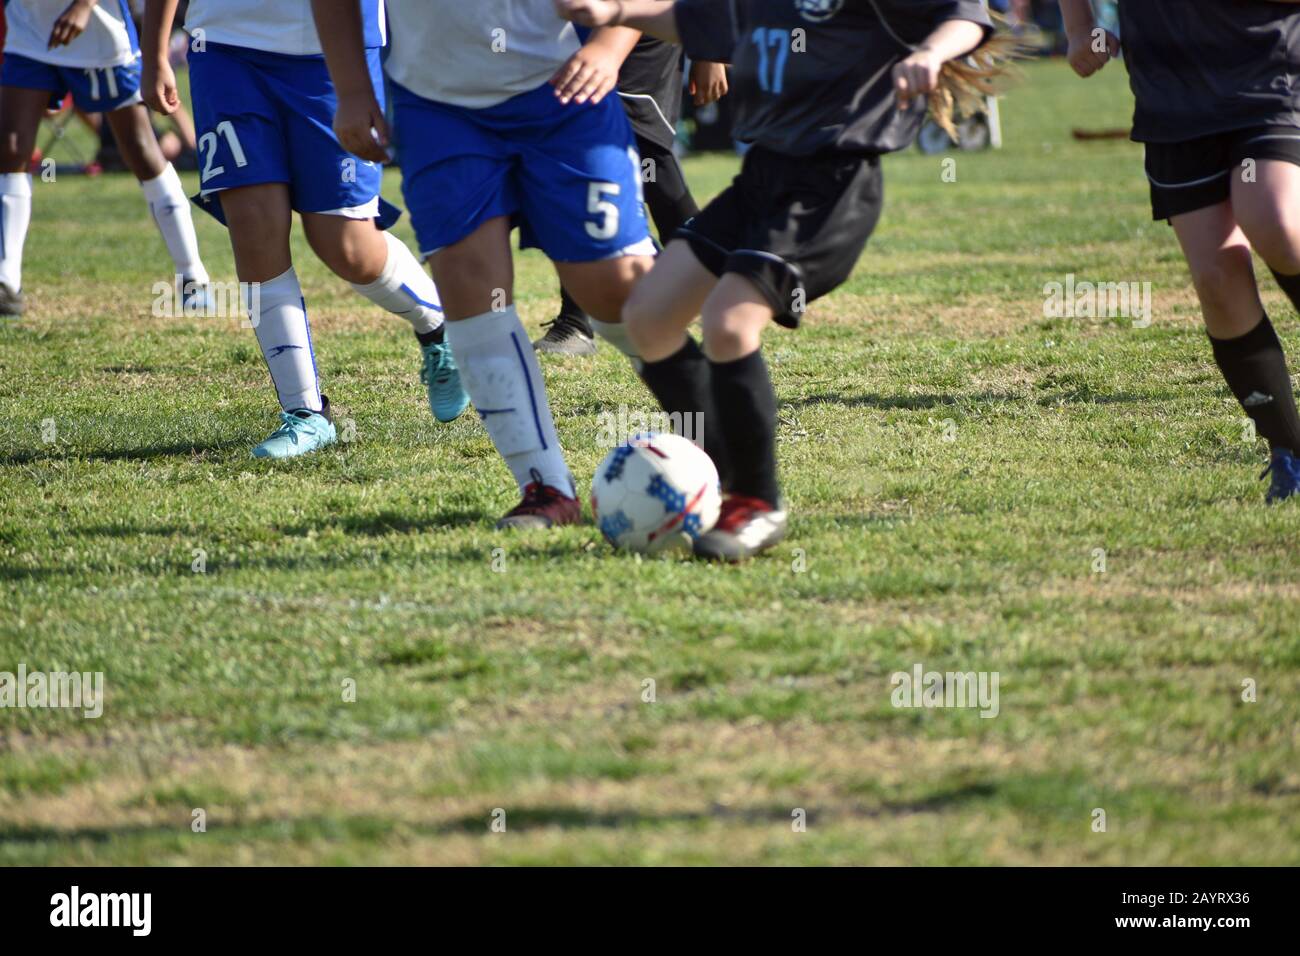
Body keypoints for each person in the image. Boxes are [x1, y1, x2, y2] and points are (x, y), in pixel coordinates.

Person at [557, 0, 1006, 561]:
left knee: (729, 320)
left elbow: (967, 12)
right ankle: (718, 467)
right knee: (648, 315)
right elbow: (700, 20)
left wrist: (931, 52)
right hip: (762, 178)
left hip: (831, 185)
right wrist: (613, 9)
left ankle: (758, 502)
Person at [312, 0, 657, 528]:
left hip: (563, 87)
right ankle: (544, 487)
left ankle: (722, 444)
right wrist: (354, 88)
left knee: (618, 292)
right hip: (437, 104)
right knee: (470, 289)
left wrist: (611, 46)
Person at [141, 0, 468, 461]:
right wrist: (154, 51)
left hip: (333, 54)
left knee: (344, 244)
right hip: (224, 45)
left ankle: (438, 324)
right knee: (252, 223)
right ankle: (307, 413)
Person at [1062, 0, 1300, 503]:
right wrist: (1081, 28)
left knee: (1274, 219)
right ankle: (1289, 453)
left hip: (1268, 67)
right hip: (1171, 91)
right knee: (1217, 280)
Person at [0, 0, 211, 317]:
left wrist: (84, 6)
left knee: (140, 149)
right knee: (11, 148)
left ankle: (192, 275)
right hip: (29, 27)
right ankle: (7, 283)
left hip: (98, 33)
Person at [535, 38, 729, 355]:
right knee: (581, 159)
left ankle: (723, 294)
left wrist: (708, 50)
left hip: (644, 32)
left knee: (649, 157)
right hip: (577, 32)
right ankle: (577, 321)